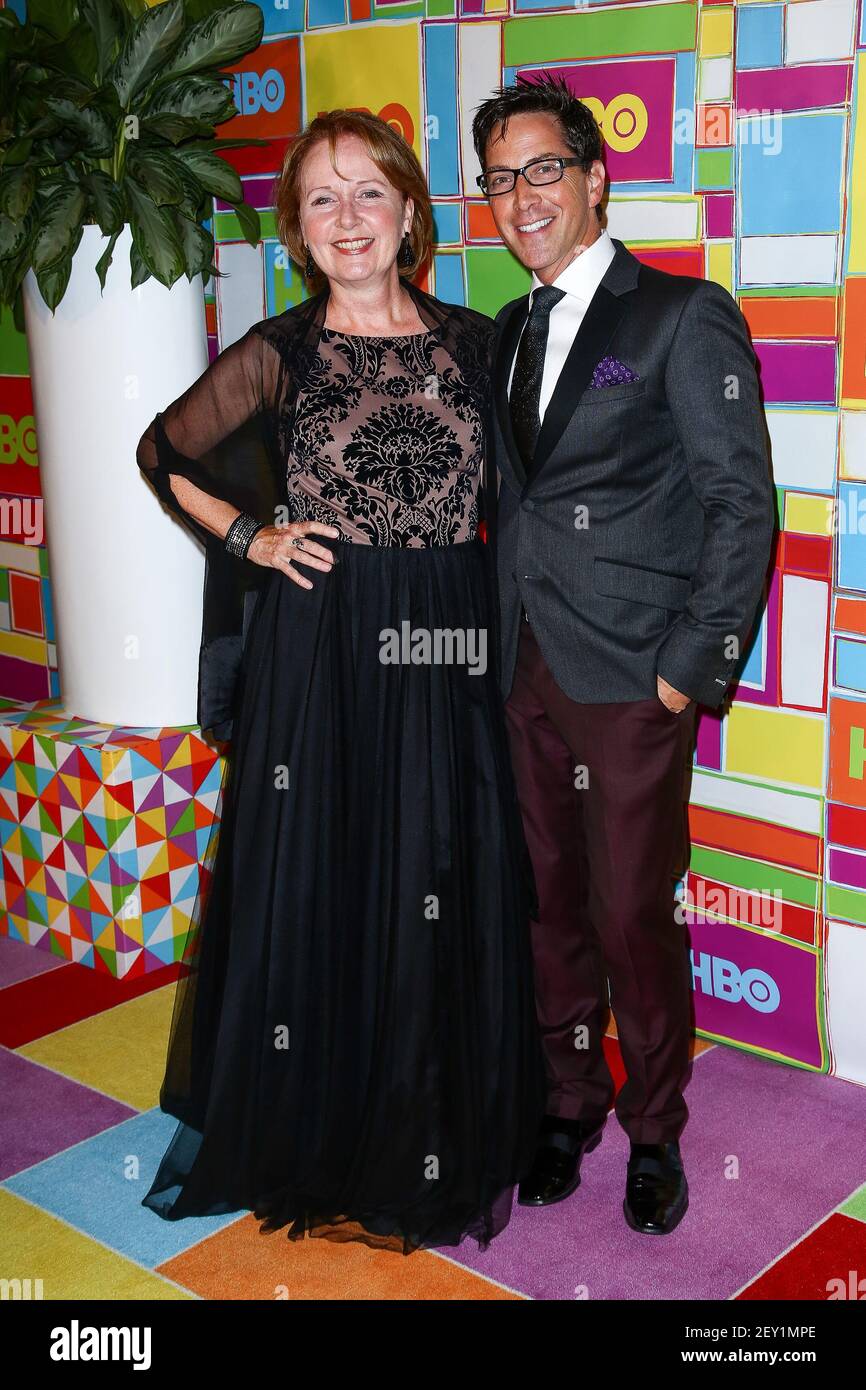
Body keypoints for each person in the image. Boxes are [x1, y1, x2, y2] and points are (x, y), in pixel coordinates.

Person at [136, 109, 546, 1255]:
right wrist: (250, 539)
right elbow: (161, 453)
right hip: (324, 642)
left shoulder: (477, 342)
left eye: (369, 193)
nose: (348, 218)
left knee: (437, 862)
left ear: (411, 212)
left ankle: (424, 1119)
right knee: (331, 867)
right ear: (299, 233)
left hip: (445, 636)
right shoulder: (281, 350)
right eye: (322, 199)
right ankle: (319, 1119)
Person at [471, 74, 774, 1234]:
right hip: (520, 671)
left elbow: (739, 502)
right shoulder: (506, 330)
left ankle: (654, 1128)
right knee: (544, 906)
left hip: (630, 682)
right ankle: (566, 1103)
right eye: (499, 178)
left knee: (629, 916)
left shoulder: (677, 316)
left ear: (596, 179)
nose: (520, 197)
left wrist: (684, 669)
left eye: (543, 169)